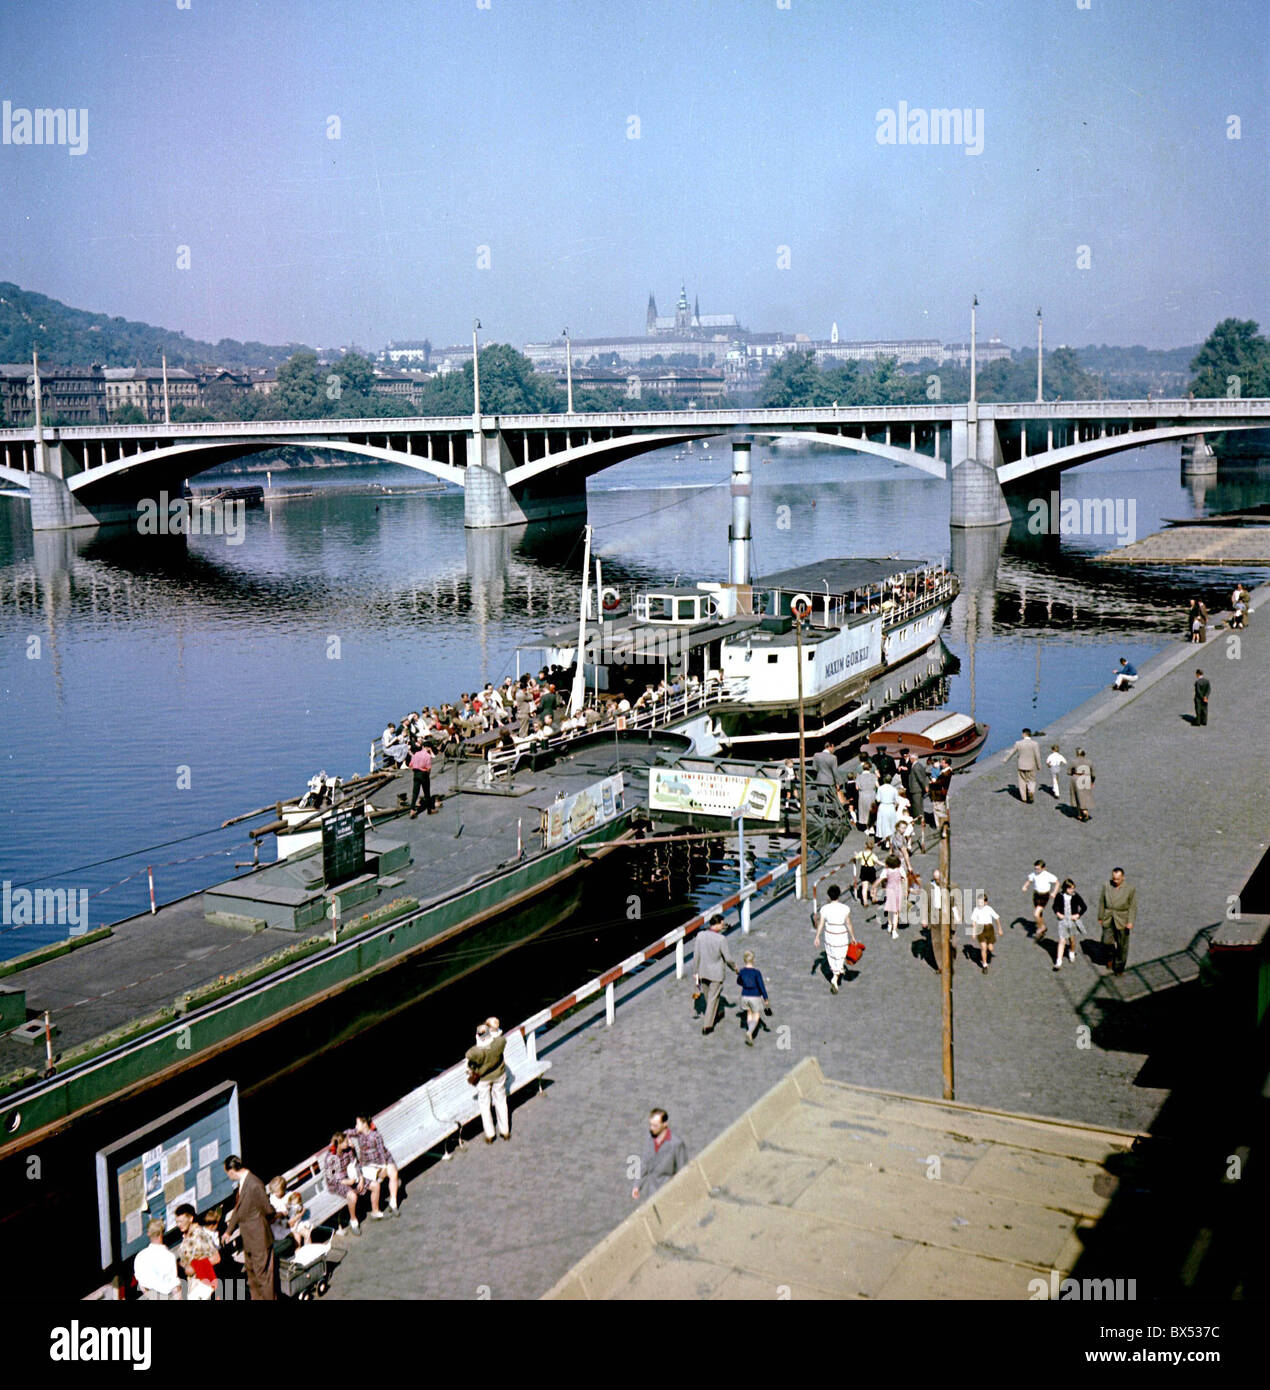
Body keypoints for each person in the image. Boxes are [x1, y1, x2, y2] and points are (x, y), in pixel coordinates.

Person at [221, 1155, 277, 1300]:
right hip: (250, 1239)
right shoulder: (243, 1183)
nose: (228, 1176)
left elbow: (267, 1209)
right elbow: (238, 1210)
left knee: (264, 1278)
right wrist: (228, 1231)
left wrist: (274, 1215)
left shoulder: (254, 1184)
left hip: (259, 1238)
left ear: (232, 1171)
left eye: (227, 1173)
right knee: (253, 1277)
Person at [693, 911, 738, 1033]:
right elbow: (728, 958)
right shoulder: (721, 939)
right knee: (712, 999)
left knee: (709, 997)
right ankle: (707, 1026)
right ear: (717, 924)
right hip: (716, 973)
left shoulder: (700, 935)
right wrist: (735, 968)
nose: (723, 927)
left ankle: (717, 1012)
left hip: (703, 971)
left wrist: (695, 971)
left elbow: (696, 955)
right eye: (722, 924)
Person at [466, 1020, 510, 1142]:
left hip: (484, 1080)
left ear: (478, 1036)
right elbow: (499, 1035)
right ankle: (505, 1131)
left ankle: (490, 1134)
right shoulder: (500, 1042)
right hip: (499, 1075)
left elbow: (468, 1056)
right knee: (501, 1101)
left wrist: (479, 1042)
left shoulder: (476, 1051)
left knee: (485, 1105)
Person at [631, 1108, 689, 1200]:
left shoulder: (676, 1144)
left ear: (665, 1124)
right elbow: (644, 1162)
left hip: (667, 1192)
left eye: (655, 1126)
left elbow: (682, 1171)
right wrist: (637, 1185)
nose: (651, 1128)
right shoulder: (650, 1137)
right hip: (651, 1191)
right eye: (651, 1125)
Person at [348, 1115, 400, 1217]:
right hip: (368, 1164)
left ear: (364, 1124)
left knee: (393, 1172)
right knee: (376, 1182)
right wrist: (348, 1140)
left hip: (381, 1161)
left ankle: (393, 1203)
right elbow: (346, 1133)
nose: (356, 1126)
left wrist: (384, 1167)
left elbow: (382, 1153)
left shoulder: (376, 1135)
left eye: (357, 1123)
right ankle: (376, 1210)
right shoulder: (358, 1133)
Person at [814, 883, 856, 993]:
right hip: (841, 934)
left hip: (829, 935)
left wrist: (817, 937)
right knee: (841, 954)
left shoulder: (824, 909)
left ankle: (836, 971)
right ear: (839, 895)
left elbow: (821, 924)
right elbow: (849, 923)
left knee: (831, 954)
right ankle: (835, 977)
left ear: (829, 896)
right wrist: (852, 936)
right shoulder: (845, 908)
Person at [319, 1132, 365, 1234]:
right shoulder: (330, 1158)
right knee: (352, 1196)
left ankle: (376, 1211)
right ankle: (353, 1221)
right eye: (345, 1141)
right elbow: (330, 1178)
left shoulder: (348, 1151)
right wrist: (345, 1181)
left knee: (374, 1185)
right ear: (338, 1144)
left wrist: (361, 1178)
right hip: (337, 1184)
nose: (348, 1142)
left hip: (351, 1177)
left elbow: (355, 1165)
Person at [174, 1204, 220, 1301]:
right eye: (177, 1222)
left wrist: (195, 1267)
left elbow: (216, 1258)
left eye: (181, 1221)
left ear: (191, 1218)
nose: (179, 1225)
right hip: (193, 1286)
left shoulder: (199, 1235)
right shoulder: (186, 1236)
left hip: (204, 1285)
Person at [1097, 867, 1138, 975]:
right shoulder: (1106, 885)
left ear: (1123, 878)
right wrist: (1100, 916)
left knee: (1122, 946)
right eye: (1114, 879)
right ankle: (1110, 956)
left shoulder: (1130, 889)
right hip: (1108, 917)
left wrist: (1130, 921)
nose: (1115, 881)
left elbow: (1133, 906)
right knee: (1106, 941)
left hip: (1122, 920)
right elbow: (1102, 901)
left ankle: (1119, 967)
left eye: (1117, 879)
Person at [134, 1217, 181, 1300]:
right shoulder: (169, 1257)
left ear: (148, 1233)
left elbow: (141, 1284)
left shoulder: (140, 1257)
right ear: (162, 1233)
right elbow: (174, 1286)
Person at [736, 951, 771, 1045]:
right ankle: (750, 1031)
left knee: (749, 1013)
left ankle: (749, 1030)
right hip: (755, 996)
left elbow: (738, 981)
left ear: (744, 960)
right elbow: (761, 986)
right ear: (753, 960)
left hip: (744, 996)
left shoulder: (742, 971)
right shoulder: (756, 972)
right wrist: (766, 999)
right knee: (756, 1014)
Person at [1052, 879, 1087, 971]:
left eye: (1073, 889)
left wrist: (1078, 915)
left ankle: (1071, 951)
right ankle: (1058, 961)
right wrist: (1058, 913)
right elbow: (1054, 906)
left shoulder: (1076, 896)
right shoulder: (1059, 896)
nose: (1072, 891)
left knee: (1071, 939)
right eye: (1070, 889)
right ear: (1065, 888)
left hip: (1072, 921)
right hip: (1063, 920)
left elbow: (1084, 906)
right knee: (1062, 940)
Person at [1004, 727, 1042, 803]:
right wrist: (1039, 766)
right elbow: (1037, 756)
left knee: (1022, 782)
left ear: (1024, 734)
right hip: (1031, 765)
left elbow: (1012, 752)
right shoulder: (1035, 744)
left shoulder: (1018, 743)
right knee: (1032, 780)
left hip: (1021, 765)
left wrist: (1005, 759)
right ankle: (1031, 791)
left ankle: (1024, 798)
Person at [1022, 860, 1059, 939]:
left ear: (1043, 868)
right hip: (1036, 895)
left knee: (1036, 914)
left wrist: (1054, 892)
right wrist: (1025, 886)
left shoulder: (1048, 875)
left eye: (1038, 869)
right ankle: (1043, 926)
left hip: (1044, 896)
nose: (1036, 870)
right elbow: (1029, 880)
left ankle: (1040, 928)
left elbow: (1057, 883)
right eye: (1035, 869)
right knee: (1039, 914)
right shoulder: (1034, 874)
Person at [970, 893, 1001, 972]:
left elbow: (997, 918)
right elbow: (973, 921)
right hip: (980, 929)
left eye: (982, 902)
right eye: (979, 902)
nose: (980, 904)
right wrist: (973, 932)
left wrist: (999, 929)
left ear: (986, 902)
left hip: (989, 929)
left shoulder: (989, 909)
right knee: (983, 947)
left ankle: (986, 952)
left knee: (990, 948)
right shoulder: (976, 909)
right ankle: (984, 965)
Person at [904, 753, 930, 850]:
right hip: (915, 789)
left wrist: (925, 787)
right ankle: (919, 818)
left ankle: (920, 820)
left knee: (918, 805)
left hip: (916, 789)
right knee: (916, 805)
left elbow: (920, 778)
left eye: (910, 758)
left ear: (913, 758)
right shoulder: (917, 765)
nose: (909, 760)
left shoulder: (915, 767)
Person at [850, 836, 881, 905]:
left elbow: (855, 857)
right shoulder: (873, 855)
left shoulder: (861, 853)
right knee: (874, 885)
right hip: (871, 870)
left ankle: (865, 901)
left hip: (864, 870)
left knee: (864, 887)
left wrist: (855, 855)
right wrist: (885, 864)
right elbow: (878, 862)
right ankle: (874, 898)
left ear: (865, 846)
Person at [882, 853, 906, 938]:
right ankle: (894, 930)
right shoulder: (900, 869)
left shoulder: (886, 870)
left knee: (889, 908)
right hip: (898, 890)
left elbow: (883, 878)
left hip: (889, 890)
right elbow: (904, 877)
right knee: (896, 912)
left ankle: (889, 924)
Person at [408, 741, 435, 817]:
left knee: (415, 793)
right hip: (424, 774)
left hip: (416, 774)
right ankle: (430, 810)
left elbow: (410, 765)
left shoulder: (416, 754)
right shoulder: (428, 756)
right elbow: (428, 768)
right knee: (427, 792)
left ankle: (412, 810)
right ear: (429, 748)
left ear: (423, 746)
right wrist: (427, 775)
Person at [1069, 748, 1094, 821]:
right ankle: (1085, 811)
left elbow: (1068, 772)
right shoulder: (1089, 762)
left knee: (1077, 796)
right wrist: (1092, 781)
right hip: (1086, 778)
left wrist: (1073, 772)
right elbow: (1093, 774)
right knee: (1085, 796)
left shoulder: (1073, 761)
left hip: (1077, 778)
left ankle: (1081, 813)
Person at [928, 757, 952, 835]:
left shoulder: (945, 773)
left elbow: (939, 783)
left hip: (939, 794)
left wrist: (932, 782)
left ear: (946, 764)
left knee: (939, 811)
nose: (941, 764)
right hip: (941, 794)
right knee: (941, 810)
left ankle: (941, 828)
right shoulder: (947, 771)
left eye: (942, 762)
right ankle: (942, 827)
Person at [855, 760, 878, 830]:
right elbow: (877, 786)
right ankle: (871, 825)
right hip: (871, 794)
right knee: (871, 810)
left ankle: (865, 826)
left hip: (863, 795)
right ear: (870, 768)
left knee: (863, 810)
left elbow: (857, 787)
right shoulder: (873, 776)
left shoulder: (859, 777)